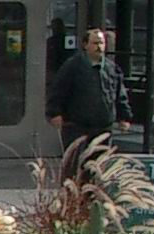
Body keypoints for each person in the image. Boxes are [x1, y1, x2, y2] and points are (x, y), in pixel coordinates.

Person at [45, 25, 131, 179]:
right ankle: (72, 198)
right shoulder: (73, 66)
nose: (99, 47)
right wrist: (54, 113)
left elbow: (119, 94)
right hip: (77, 126)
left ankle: (93, 198)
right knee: (74, 167)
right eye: (95, 43)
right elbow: (58, 90)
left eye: (102, 43)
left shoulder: (112, 69)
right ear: (85, 45)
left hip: (103, 127)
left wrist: (124, 117)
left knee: (99, 169)